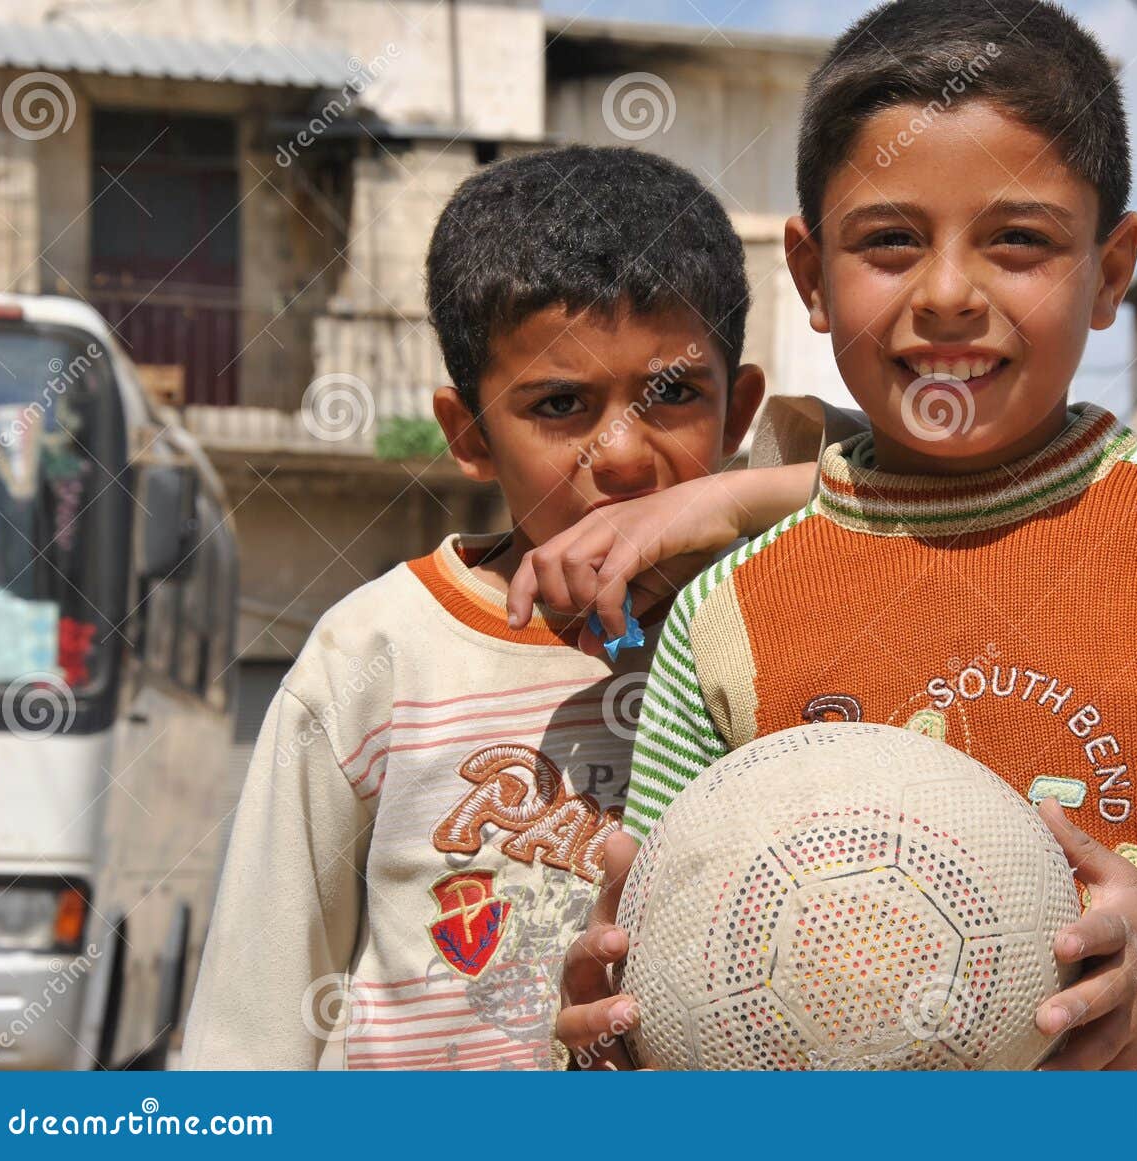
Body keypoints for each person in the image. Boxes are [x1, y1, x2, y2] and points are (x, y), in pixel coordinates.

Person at [557, 0, 1137, 1072]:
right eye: (888, 243)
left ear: (1108, 272)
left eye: (1019, 241)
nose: (950, 295)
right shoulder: (724, 616)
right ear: (813, 277)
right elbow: (661, 940)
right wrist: (620, 1033)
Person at [181, 146, 860, 1069]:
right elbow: (249, 1028)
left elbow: (937, 489)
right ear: (469, 434)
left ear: (739, 411)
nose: (621, 456)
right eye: (560, 404)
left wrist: (727, 501)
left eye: (673, 395)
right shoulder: (377, 654)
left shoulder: (777, 616)